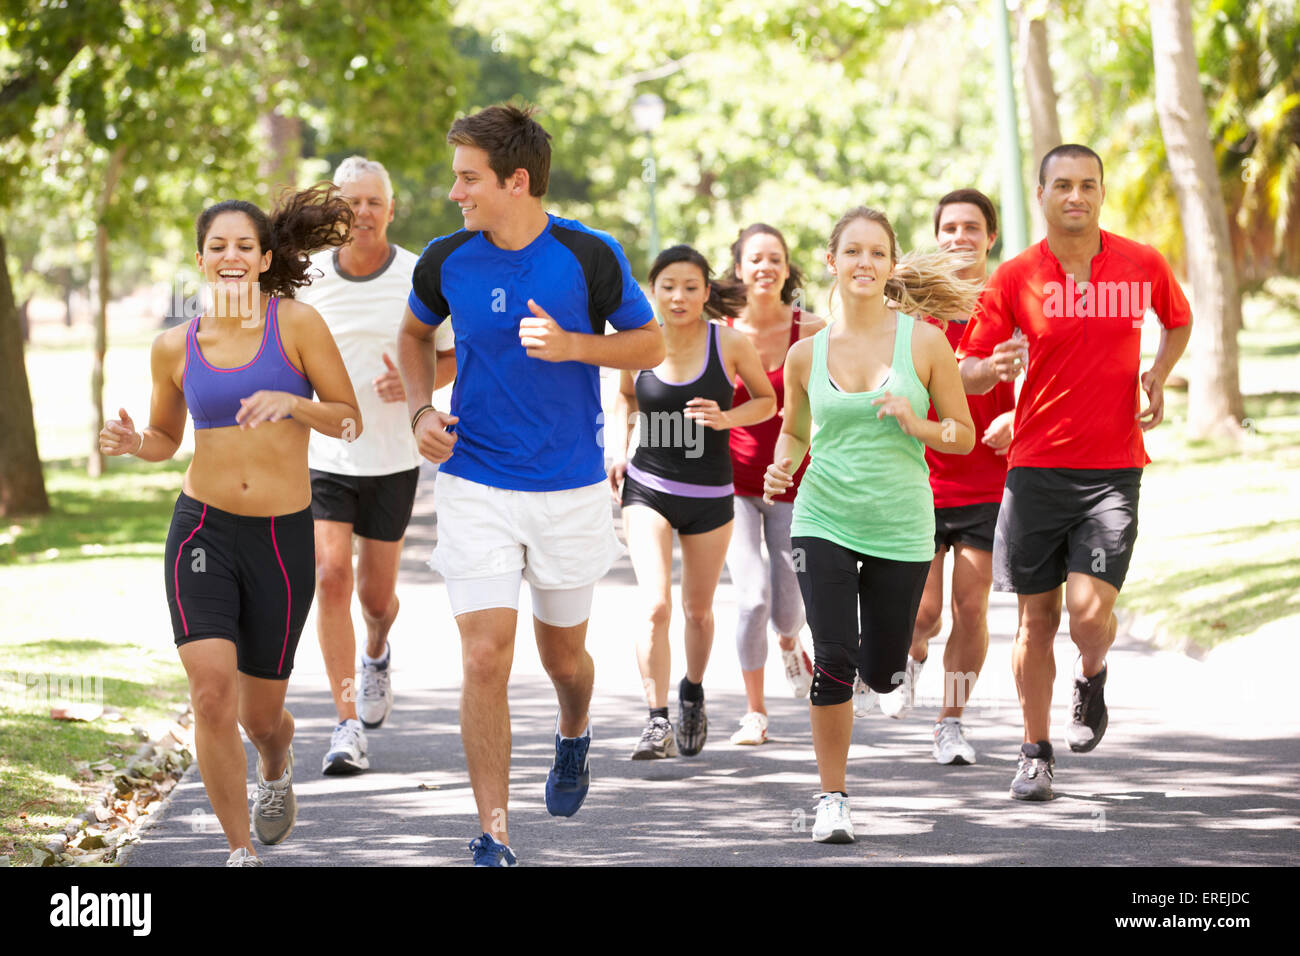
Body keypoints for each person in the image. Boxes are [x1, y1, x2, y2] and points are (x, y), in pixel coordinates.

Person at [397, 104, 663, 866]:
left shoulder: (589, 255)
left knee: (563, 660)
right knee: (484, 656)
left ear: (517, 181)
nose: (455, 194)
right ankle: (493, 832)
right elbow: (414, 335)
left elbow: (650, 342)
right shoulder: (448, 259)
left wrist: (577, 345)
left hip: (568, 486)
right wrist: (421, 409)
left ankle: (574, 730)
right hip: (475, 478)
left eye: (469, 178)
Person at [100, 186, 361, 866]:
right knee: (211, 692)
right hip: (202, 530)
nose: (231, 256)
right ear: (201, 259)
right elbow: (165, 436)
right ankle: (239, 849)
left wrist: (292, 404)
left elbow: (347, 416)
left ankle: (276, 761)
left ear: (265, 255)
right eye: (218, 246)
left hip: (279, 538)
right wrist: (136, 444)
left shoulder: (297, 324)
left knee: (260, 718)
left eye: (244, 245)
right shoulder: (173, 346)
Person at [957, 145, 1191, 801]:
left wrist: (1157, 375)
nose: (1076, 197)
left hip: (1114, 468)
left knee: (1089, 616)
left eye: (1088, 185)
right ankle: (1035, 752)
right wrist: (992, 370)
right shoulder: (1014, 278)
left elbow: (1179, 321)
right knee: (1035, 621)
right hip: (1034, 468)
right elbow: (969, 366)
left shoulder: (1141, 264)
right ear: (1041, 194)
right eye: (1063, 185)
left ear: (1101, 192)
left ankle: (1093, 671)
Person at [765, 206, 977, 844]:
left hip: (900, 524)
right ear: (832, 262)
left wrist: (918, 425)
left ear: (891, 264)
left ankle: (891, 668)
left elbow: (963, 436)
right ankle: (832, 797)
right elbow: (795, 430)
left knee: (881, 670)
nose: (864, 263)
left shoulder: (925, 343)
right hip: (823, 516)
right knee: (833, 659)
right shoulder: (805, 354)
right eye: (852, 252)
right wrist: (782, 468)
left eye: (877, 253)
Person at [298, 157, 456, 776]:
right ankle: (345, 727)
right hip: (326, 453)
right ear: (336, 209)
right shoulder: (308, 277)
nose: (362, 212)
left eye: (373, 202)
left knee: (376, 596)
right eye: (351, 202)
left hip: (392, 458)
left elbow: (446, 360)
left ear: (391, 211)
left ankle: (377, 651)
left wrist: (412, 388)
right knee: (331, 576)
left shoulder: (419, 275)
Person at [608, 245, 776, 759]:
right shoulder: (638, 343)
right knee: (655, 605)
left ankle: (693, 693)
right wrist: (619, 446)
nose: (678, 297)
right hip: (648, 487)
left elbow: (766, 401)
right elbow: (624, 397)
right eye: (667, 286)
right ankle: (656, 719)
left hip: (709, 493)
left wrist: (727, 419)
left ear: (706, 292)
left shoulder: (728, 344)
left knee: (697, 611)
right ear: (652, 290)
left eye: (689, 287)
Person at [874, 190, 1015, 768]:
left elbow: (1045, 372)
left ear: (991, 237)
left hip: (987, 478)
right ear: (936, 237)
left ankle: (950, 722)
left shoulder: (1011, 299)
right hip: (921, 474)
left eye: (972, 227)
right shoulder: (908, 306)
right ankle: (909, 656)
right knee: (925, 611)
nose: (960, 236)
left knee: (972, 607)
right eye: (949, 227)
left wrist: (1019, 416)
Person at [719, 224, 825, 747]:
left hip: (792, 483)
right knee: (750, 598)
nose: (765, 267)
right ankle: (754, 712)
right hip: (730, 486)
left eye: (775, 259)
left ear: (787, 269)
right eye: (754, 259)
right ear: (739, 268)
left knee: (788, 608)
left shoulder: (811, 328)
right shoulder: (718, 328)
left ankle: (790, 641)